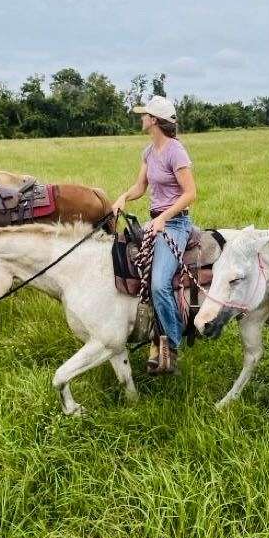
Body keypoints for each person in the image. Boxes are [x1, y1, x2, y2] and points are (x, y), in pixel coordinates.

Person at [111, 96, 197, 374]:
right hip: (155, 222)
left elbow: (190, 194)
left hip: (175, 224)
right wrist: (124, 197)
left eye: (145, 115)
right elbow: (140, 187)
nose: (141, 118)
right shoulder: (148, 152)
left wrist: (162, 218)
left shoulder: (176, 151)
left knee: (159, 284)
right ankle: (150, 334)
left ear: (155, 120)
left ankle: (171, 346)